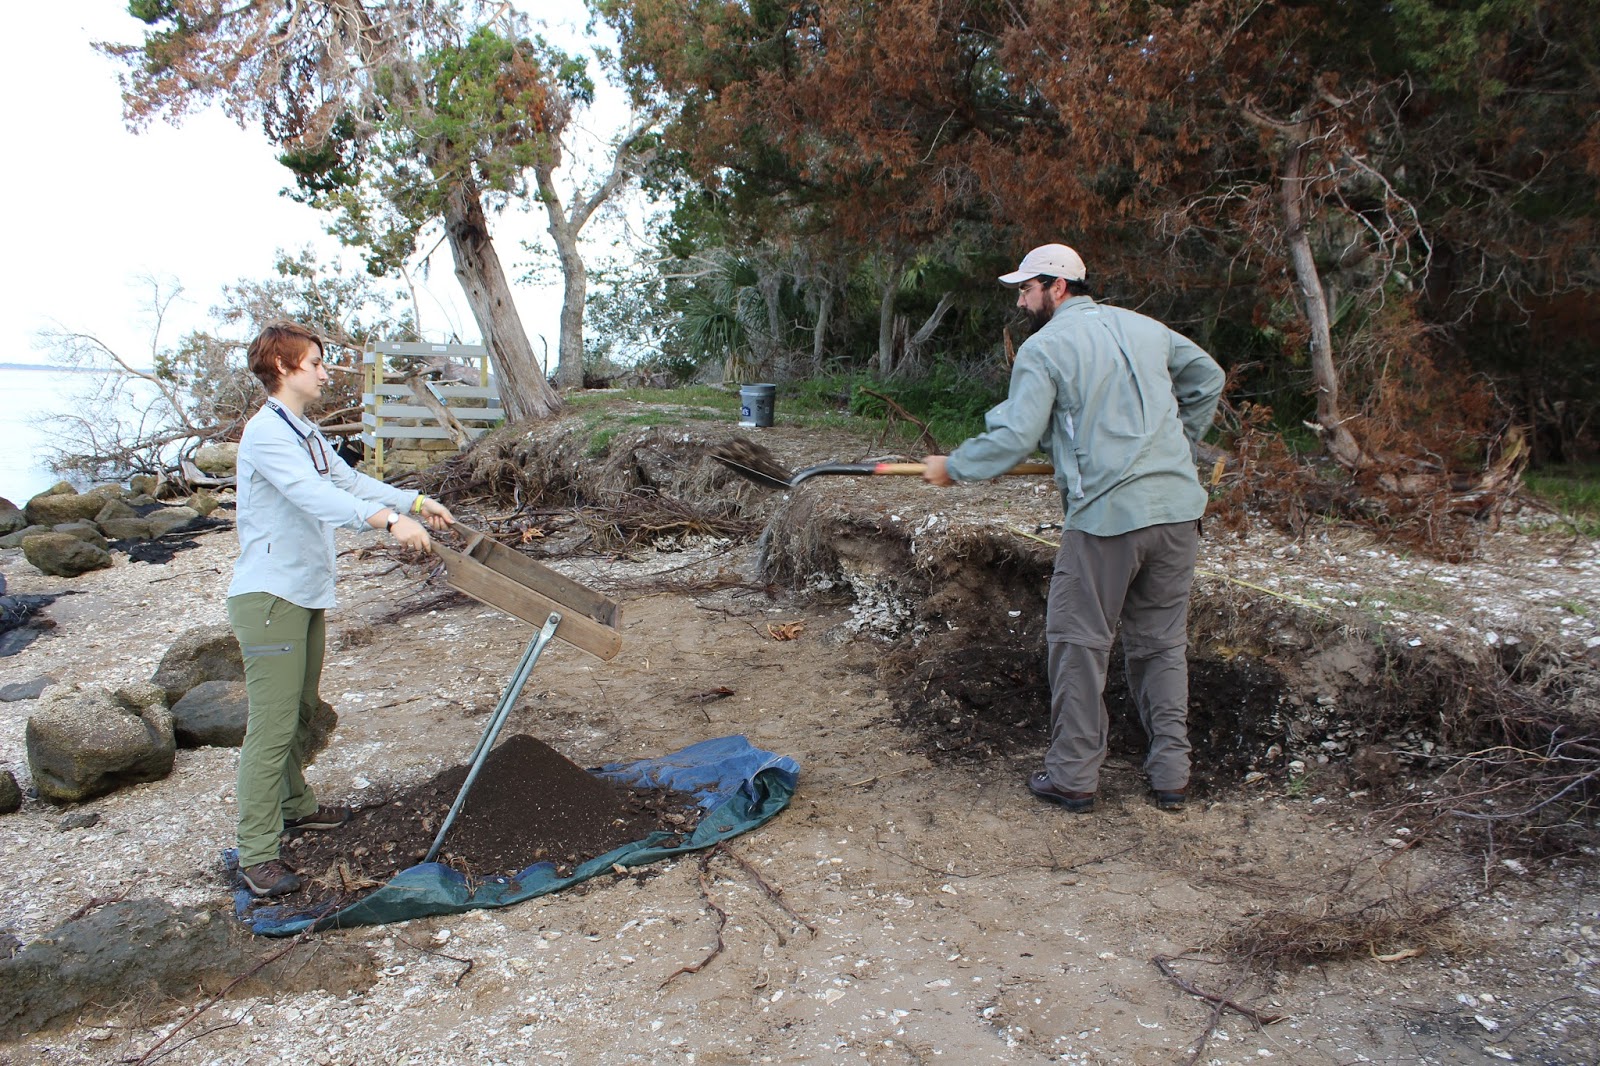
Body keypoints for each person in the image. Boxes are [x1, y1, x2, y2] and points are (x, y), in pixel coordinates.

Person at [923, 244, 1224, 814]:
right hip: (1179, 511)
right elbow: (1208, 377)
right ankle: (1171, 774)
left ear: (1056, 287)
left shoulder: (1046, 347)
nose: (1021, 299)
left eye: (1025, 289)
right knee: (1160, 646)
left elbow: (1015, 436)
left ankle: (1074, 776)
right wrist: (1178, 442)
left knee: (1079, 643)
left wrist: (954, 467)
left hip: (1108, 520)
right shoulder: (1145, 328)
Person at [227, 322, 456, 896]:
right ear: (283, 368)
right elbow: (314, 496)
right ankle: (257, 853)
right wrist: (386, 522)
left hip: (302, 594)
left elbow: (347, 479)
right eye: (316, 364)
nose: (326, 373)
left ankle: (296, 806)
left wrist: (416, 501)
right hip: (270, 598)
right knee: (273, 727)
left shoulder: (301, 430)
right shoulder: (265, 434)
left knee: (301, 710)